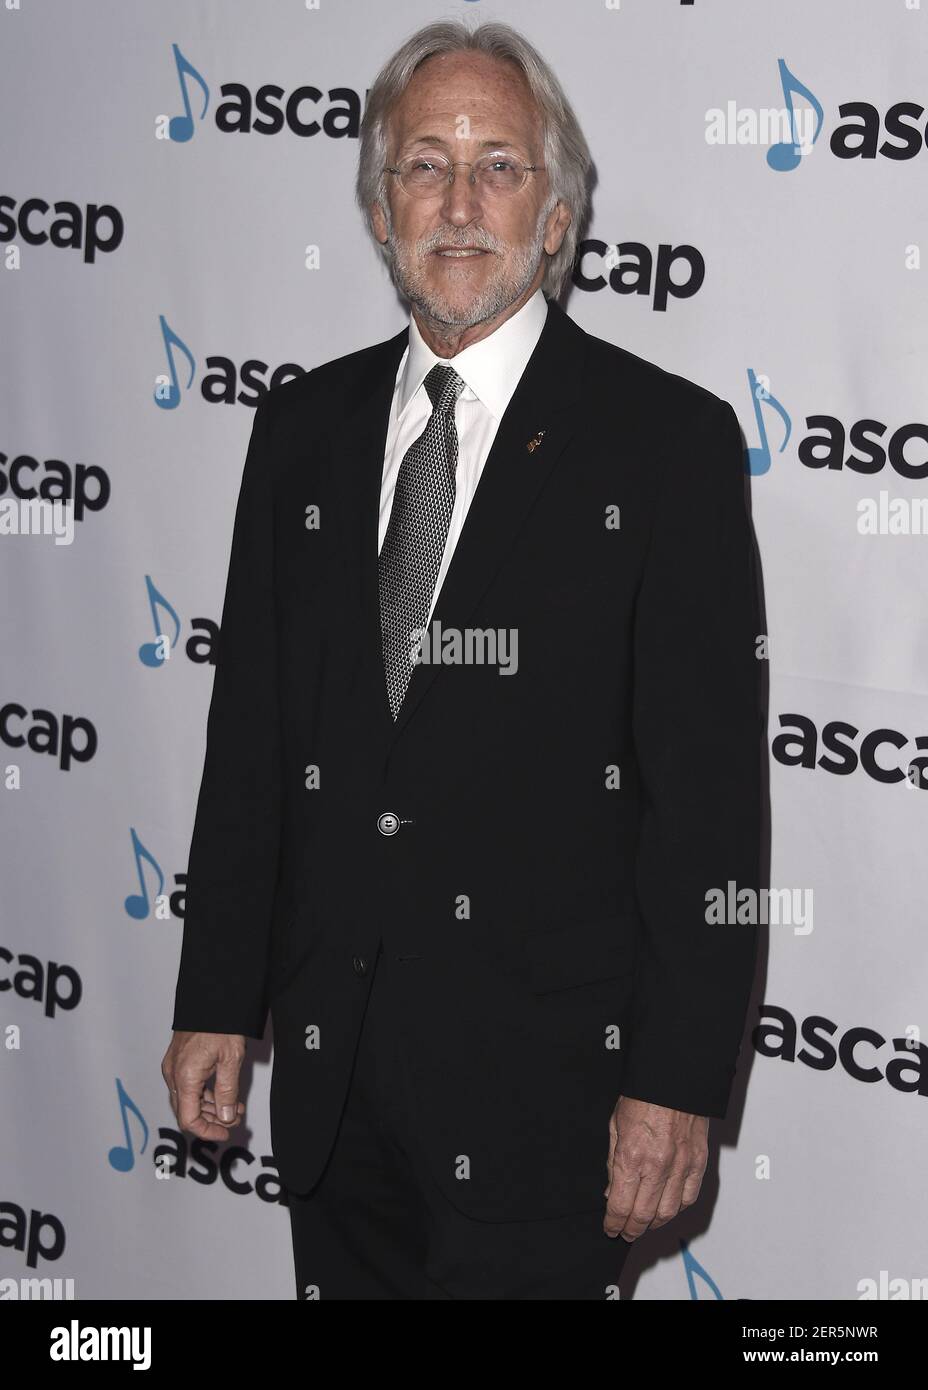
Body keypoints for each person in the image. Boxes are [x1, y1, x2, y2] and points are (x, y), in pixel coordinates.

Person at [162, 18, 763, 1300]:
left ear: (557, 217)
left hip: (548, 1101)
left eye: (499, 166)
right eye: (423, 165)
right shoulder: (301, 430)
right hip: (334, 1092)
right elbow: (254, 740)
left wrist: (670, 1081)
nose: (458, 201)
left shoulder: (665, 447)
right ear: (380, 212)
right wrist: (215, 991)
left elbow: (707, 811)